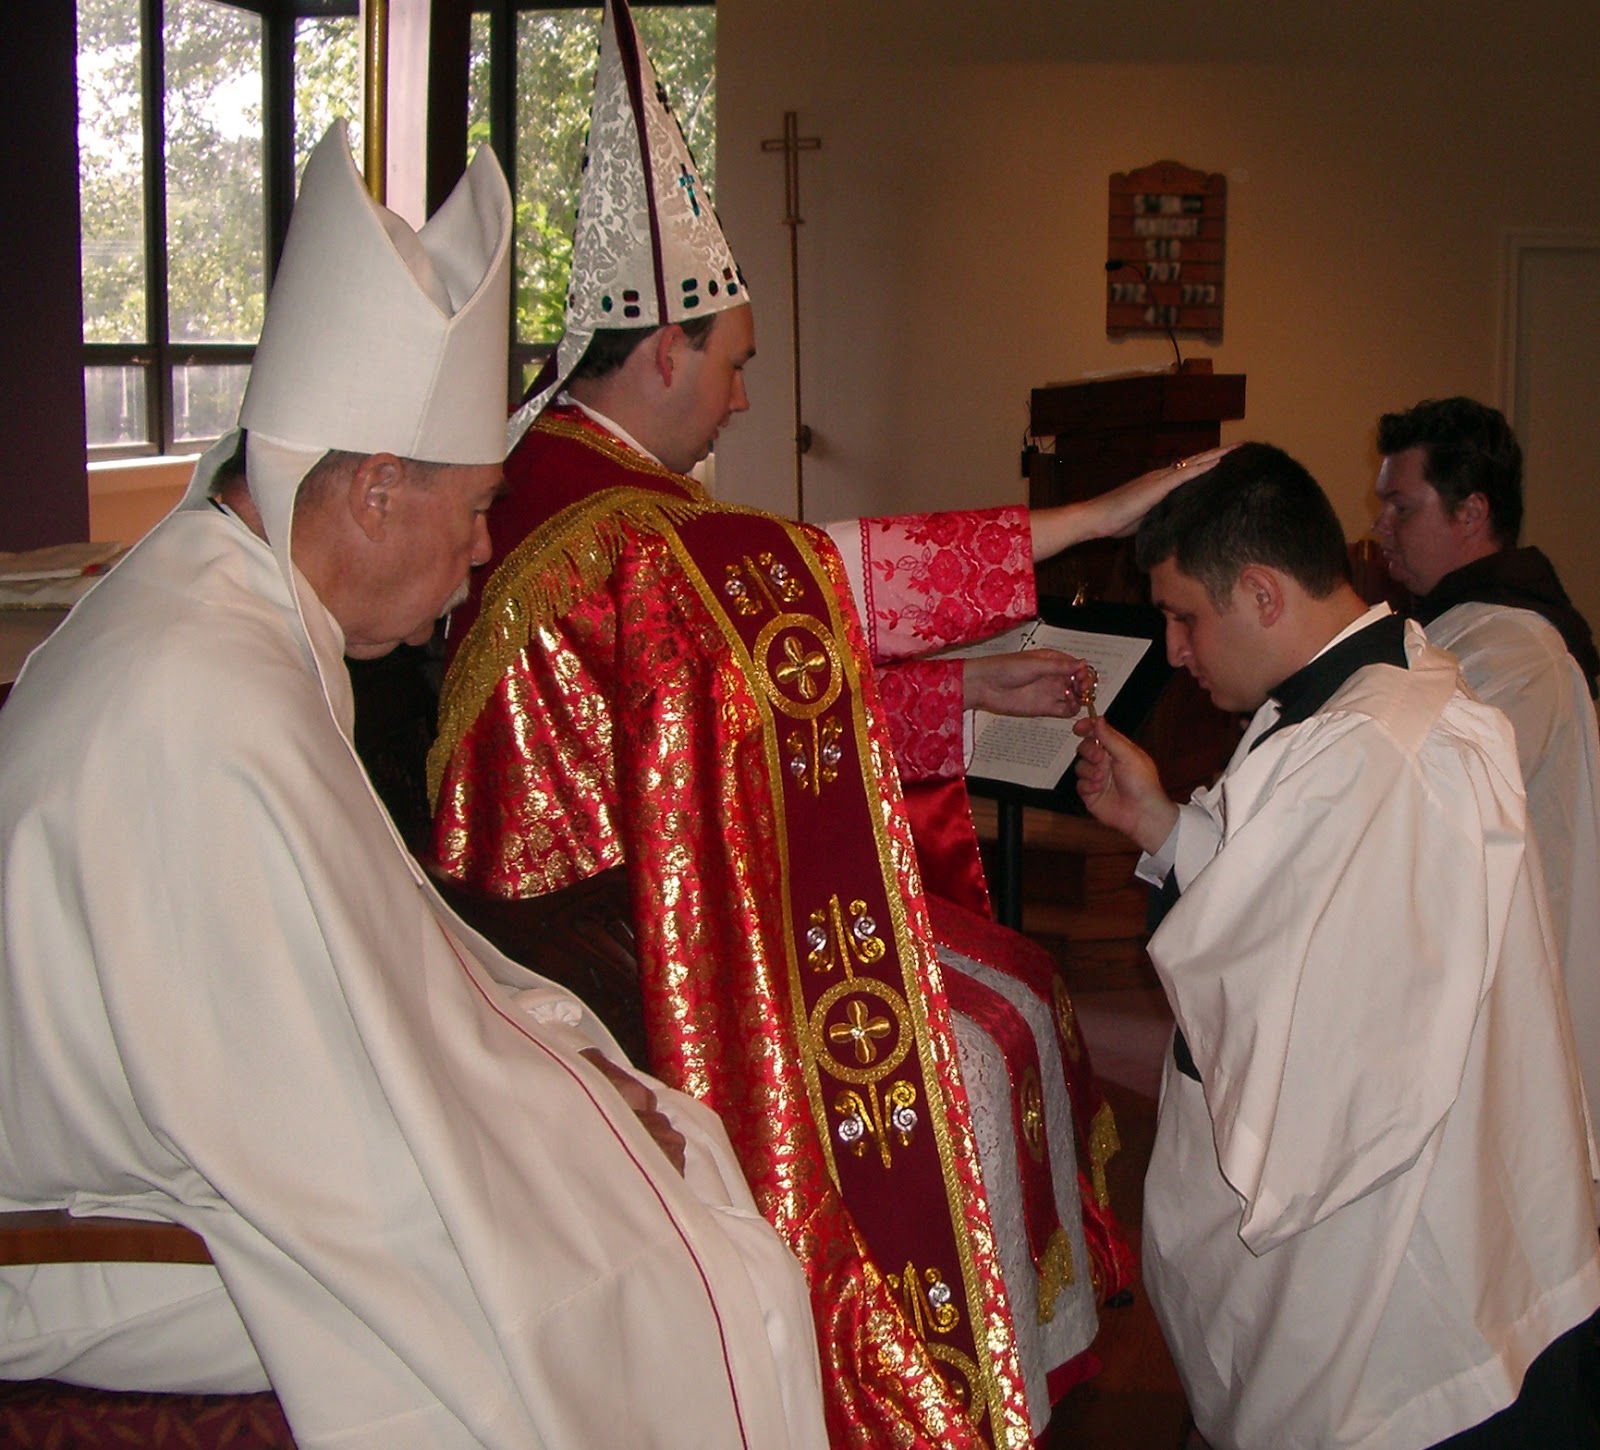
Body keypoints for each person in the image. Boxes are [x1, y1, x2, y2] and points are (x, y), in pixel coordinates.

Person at [422, 4, 1227, 1445]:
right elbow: (816, 581)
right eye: (731, 362)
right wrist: (1086, 519)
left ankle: (1018, 1359)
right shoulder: (606, 518)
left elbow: (737, 702)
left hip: (649, 890)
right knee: (970, 1050)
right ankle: (939, 1386)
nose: (741, 398)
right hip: (620, 950)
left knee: (1013, 985)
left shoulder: (580, 479)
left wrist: (961, 695)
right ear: (661, 352)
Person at [0, 123, 827, 1450]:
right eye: (477, 505)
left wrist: (546, 1091)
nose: (485, 546)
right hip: (101, 1231)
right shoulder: (206, 689)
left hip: (148, 1153)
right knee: (672, 1274)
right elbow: (285, 1101)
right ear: (378, 489)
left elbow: (323, 979)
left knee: (652, 1166)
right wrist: (544, 1124)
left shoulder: (228, 601)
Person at [1072, 442, 1600, 1449]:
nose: (1174, 651)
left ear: (1261, 593)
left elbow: (1316, 1063)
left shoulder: (1372, 750)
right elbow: (1283, 887)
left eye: (1184, 617)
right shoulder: (1374, 687)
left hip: (1398, 1272)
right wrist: (1161, 824)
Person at [1374, 395, 1600, 1135]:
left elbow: (1432, 803)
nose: (1380, 529)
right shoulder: (1458, 627)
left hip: (1508, 978)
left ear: (1471, 513)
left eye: (1401, 508)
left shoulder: (1516, 649)